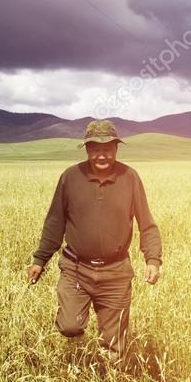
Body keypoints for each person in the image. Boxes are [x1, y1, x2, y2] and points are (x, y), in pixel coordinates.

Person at [27, 119, 162, 365]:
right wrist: (40, 260)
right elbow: (55, 222)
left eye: (108, 148)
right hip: (76, 269)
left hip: (116, 272)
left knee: (114, 347)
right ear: (88, 149)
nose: (102, 154)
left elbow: (147, 223)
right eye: (96, 148)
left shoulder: (130, 177)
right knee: (69, 326)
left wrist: (152, 259)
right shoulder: (70, 177)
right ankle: (78, 360)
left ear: (116, 149)